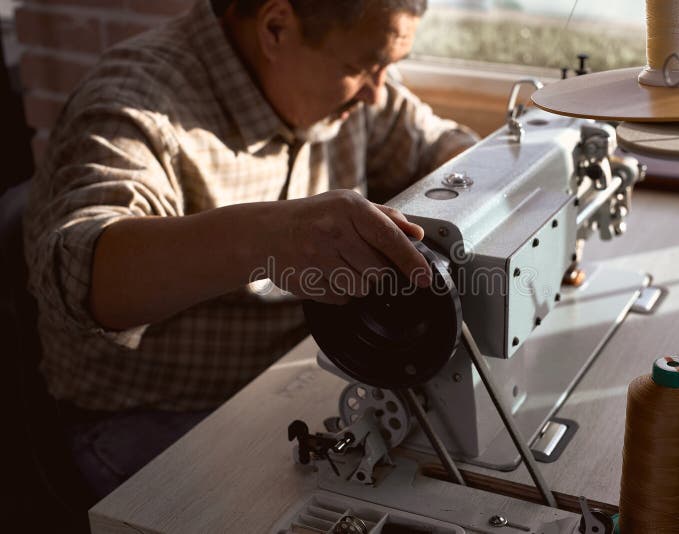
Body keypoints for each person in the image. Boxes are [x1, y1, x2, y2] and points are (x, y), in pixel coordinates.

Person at [23, 0, 476, 498]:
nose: (377, 90)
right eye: (359, 68)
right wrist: (266, 238)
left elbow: (442, 149)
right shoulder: (134, 105)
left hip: (298, 375)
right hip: (160, 414)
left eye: (388, 65)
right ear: (277, 28)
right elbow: (80, 272)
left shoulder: (354, 86)